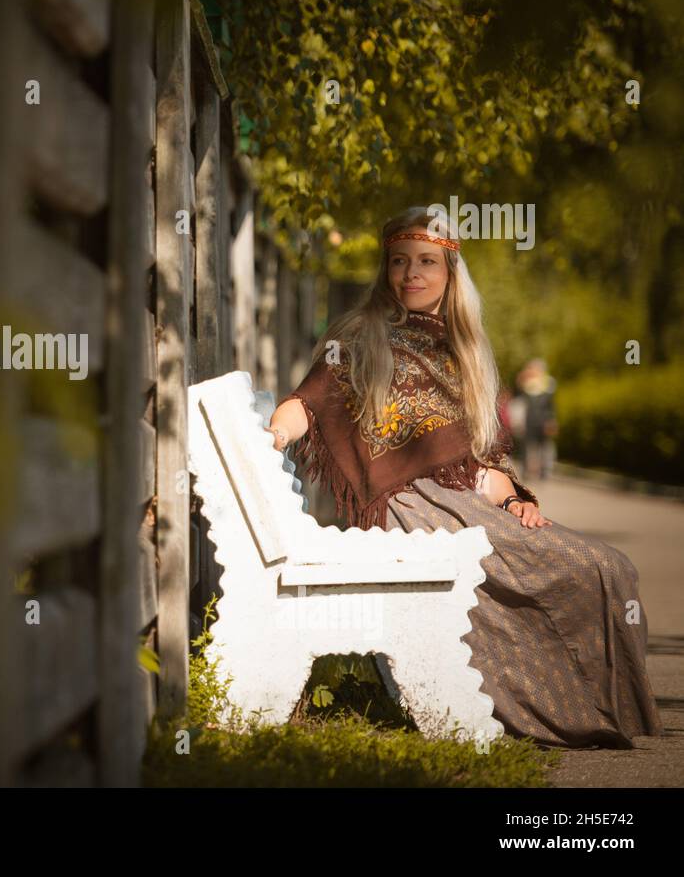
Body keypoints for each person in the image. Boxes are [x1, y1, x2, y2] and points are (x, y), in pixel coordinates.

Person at [263, 207, 662, 749]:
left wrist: (513, 500)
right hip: (405, 513)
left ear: (451, 272)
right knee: (570, 568)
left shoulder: (463, 349)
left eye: (427, 262)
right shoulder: (359, 336)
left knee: (607, 566)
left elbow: (480, 463)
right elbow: (307, 402)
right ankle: (562, 716)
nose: (411, 274)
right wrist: (274, 434)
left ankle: (603, 713)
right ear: (385, 270)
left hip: (464, 506)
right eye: (399, 262)